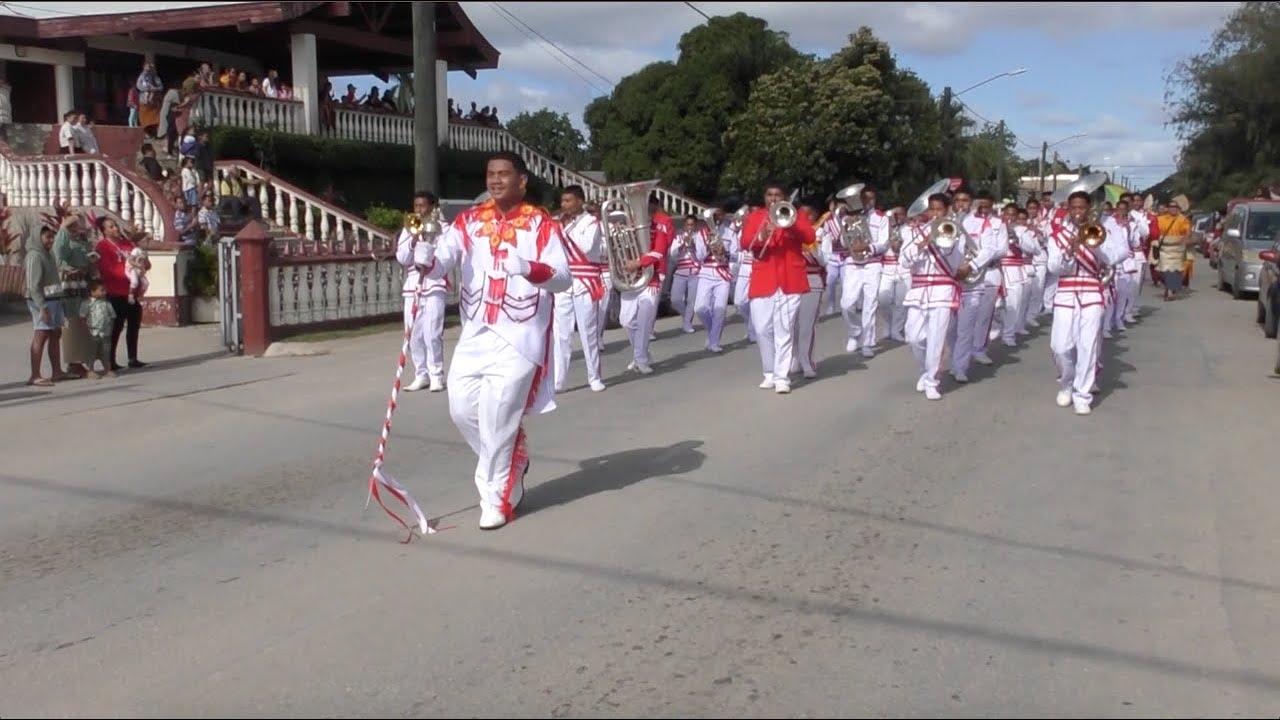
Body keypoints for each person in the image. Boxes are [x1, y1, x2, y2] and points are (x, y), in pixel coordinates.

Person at [413, 151, 571, 530]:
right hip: (477, 329)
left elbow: (563, 277)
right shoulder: (468, 221)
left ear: (522, 181)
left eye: (504, 174)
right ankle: (513, 457)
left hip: (521, 331)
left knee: (499, 414)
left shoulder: (540, 224)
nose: (496, 180)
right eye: (491, 174)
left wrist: (530, 268)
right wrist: (425, 259)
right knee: (461, 407)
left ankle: (495, 496)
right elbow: (443, 260)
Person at [1047, 190, 1133, 415]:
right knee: (1060, 346)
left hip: (1092, 289)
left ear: (1088, 209)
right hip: (1065, 290)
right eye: (1073, 208)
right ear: (1068, 208)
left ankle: (1082, 394)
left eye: (1081, 208)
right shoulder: (1057, 235)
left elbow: (1117, 256)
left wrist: (1093, 243)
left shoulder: (1101, 231)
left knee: (1088, 344)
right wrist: (1070, 249)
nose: (1077, 212)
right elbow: (1054, 268)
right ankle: (1066, 383)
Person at [738, 182, 815, 394]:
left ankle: (782, 377)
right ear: (764, 197)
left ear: (783, 198)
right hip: (764, 279)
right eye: (769, 194)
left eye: (777, 195)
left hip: (791, 278)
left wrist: (789, 223)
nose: (773, 198)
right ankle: (769, 372)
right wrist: (762, 234)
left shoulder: (795, 214)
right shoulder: (756, 217)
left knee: (785, 329)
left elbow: (810, 237)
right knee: (762, 328)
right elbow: (745, 243)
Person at [900, 193, 965, 400]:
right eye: (932, 210)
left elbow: (953, 260)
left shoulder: (955, 231)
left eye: (939, 210)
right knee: (913, 337)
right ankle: (925, 371)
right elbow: (904, 260)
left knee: (937, 338)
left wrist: (938, 238)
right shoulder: (917, 231)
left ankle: (932, 381)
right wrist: (922, 243)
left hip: (943, 289)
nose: (935, 214)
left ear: (947, 211)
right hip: (919, 290)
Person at [552, 185, 607, 393]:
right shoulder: (561, 223)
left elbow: (584, 247)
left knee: (588, 332)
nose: (564, 205)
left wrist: (561, 232)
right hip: (565, 282)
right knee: (561, 333)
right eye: (563, 201)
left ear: (580, 201)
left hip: (585, 280)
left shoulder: (592, 222)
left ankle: (594, 376)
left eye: (568, 201)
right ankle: (559, 379)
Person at [395, 191, 448, 393]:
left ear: (432, 207)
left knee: (432, 332)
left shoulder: (443, 228)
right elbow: (402, 257)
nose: (419, 210)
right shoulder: (410, 228)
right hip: (413, 285)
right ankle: (421, 374)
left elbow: (445, 254)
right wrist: (414, 239)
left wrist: (429, 241)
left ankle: (437, 375)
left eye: (423, 206)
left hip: (434, 283)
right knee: (413, 332)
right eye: (416, 206)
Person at [619, 193, 674, 374]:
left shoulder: (660, 226)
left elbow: (660, 252)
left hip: (652, 277)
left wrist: (638, 263)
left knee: (644, 322)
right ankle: (641, 353)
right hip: (632, 280)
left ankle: (640, 359)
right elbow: (619, 249)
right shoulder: (627, 227)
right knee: (626, 321)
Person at [95, 217, 149, 370]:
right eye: (111, 227)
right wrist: (127, 274)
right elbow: (107, 269)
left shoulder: (127, 244)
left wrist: (141, 265)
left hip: (131, 292)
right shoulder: (102, 246)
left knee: (134, 325)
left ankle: (133, 357)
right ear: (104, 230)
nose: (115, 229)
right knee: (116, 327)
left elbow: (141, 260)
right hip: (115, 291)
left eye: (116, 226)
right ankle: (110, 360)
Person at [24, 227, 65, 387]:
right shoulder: (34, 256)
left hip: (54, 298)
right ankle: (35, 374)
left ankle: (57, 371)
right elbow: (33, 286)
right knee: (41, 333)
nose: (51, 240)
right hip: (41, 301)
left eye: (52, 237)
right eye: (48, 237)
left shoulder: (48, 254)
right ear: (38, 237)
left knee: (55, 332)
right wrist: (42, 306)